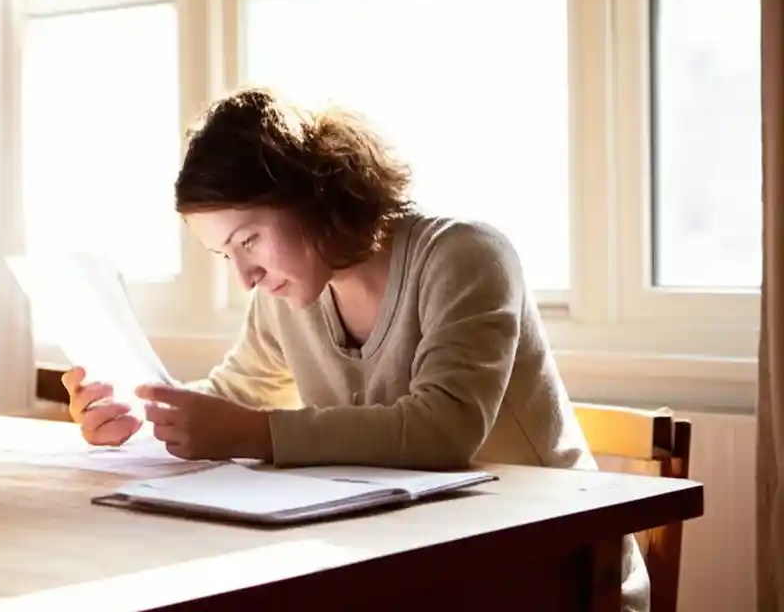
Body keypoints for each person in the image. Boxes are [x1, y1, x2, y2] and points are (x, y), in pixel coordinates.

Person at [59, 87, 648, 611]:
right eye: (225, 255)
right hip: (416, 554)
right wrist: (141, 415)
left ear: (314, 195)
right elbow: (232, 397)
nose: (245, 276)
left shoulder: (464, 256)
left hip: (554, 563)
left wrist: (252, 432)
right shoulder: (286, 296)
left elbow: (445, 429)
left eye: (250, 240)